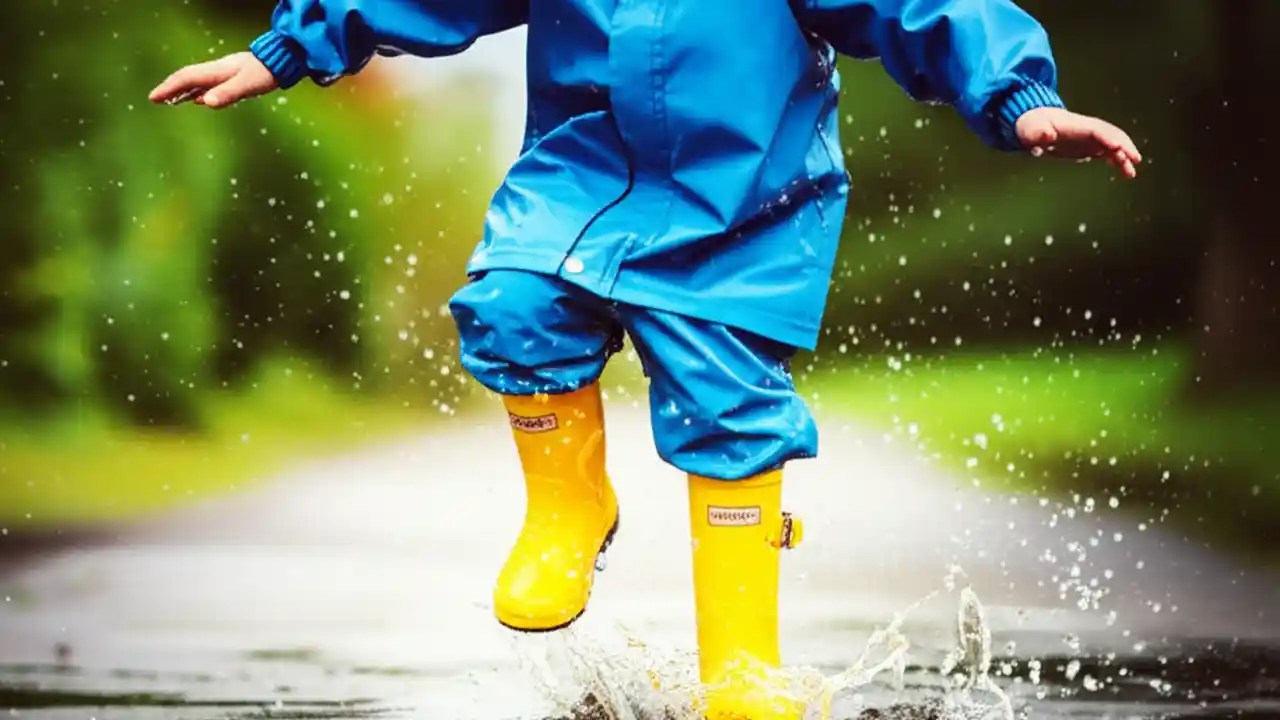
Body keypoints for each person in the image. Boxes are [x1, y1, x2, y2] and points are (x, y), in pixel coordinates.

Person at [150, 1, 1140, 717]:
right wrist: (286, 49)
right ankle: (567, 505)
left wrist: (1015, 98)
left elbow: (923, 5)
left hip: (747, 197)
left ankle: (744, 666)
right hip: (579, 175)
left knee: (729, 410)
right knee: (508, 302)